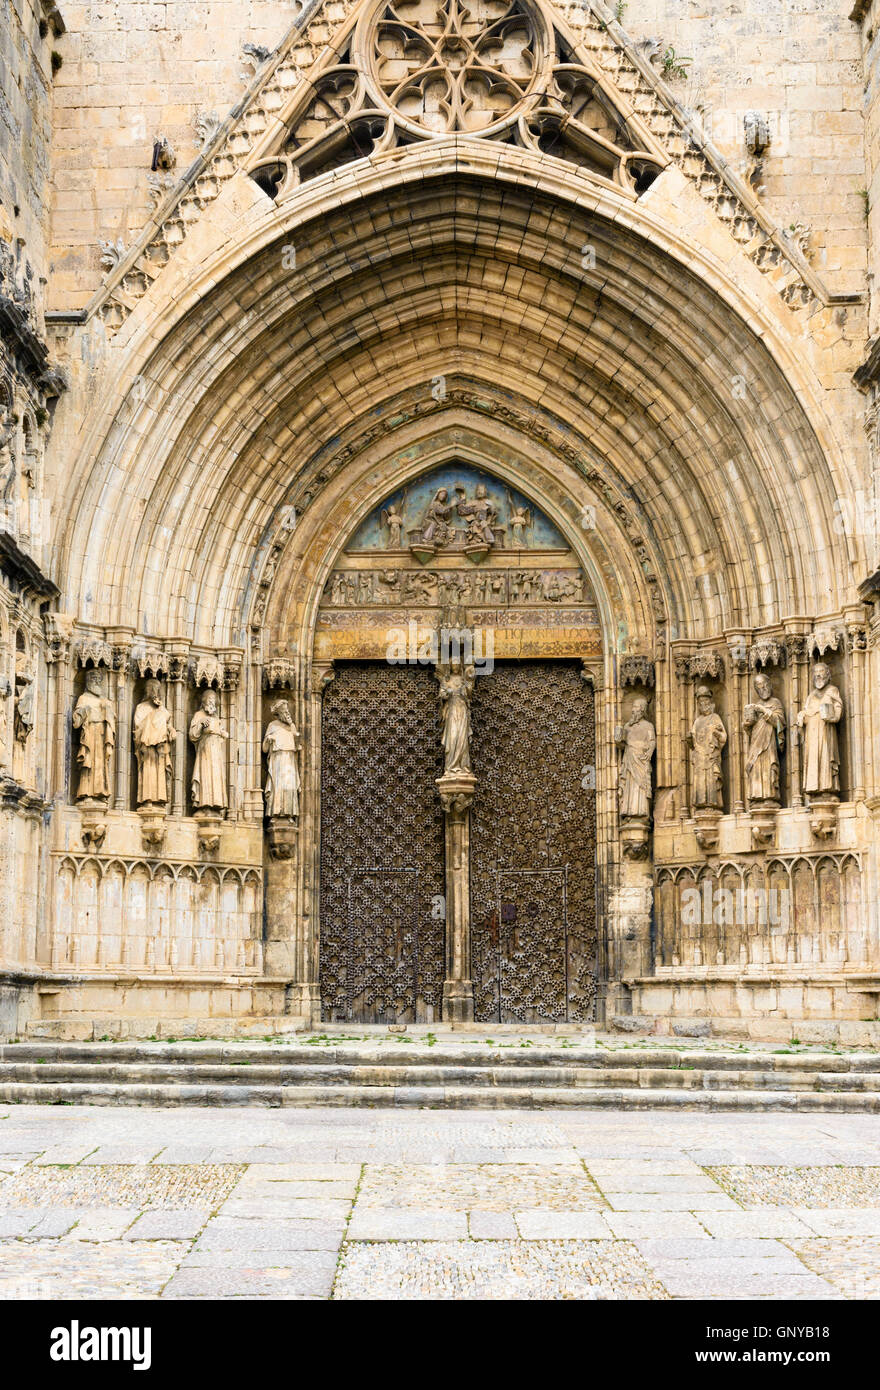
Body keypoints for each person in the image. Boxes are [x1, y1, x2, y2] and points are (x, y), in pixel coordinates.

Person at [797, 662, 843, 797]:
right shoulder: (811, 696)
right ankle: (814, 789)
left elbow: (838, 708)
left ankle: (827, 787)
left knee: (825, 757)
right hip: (811, 734)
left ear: (827, 675)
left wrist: (832, 717)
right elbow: (807, 713)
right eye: (815, 673)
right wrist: (802, 717)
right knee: (813, 760)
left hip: (825, 731)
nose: (818, 675)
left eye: (821, 672)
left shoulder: (832, 690)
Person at [72, 668, 116, 801]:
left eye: (98, 679)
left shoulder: (105, 701)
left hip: (102, 735)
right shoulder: (83, 698)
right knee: (88, 763)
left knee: (101, 765)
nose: (96, 682)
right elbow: (76, 720)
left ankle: (100, 791)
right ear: (87, 682)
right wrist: (86, 711)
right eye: (93, 679)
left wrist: (107, 711)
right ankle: (86, 793)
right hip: (90, 733)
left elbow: (112, 718)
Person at [133, 677, 175, 807]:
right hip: (148, 748)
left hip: (160, 748)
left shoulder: (162, 709)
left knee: (160, 773)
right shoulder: (141, 707)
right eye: (153, 689)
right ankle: (147, 800)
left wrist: (171, 730)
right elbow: (137, 727)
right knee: (149, 771)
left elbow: (168, 723)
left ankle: (159, 799)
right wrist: (153, 718)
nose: (156, 692)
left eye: (158, 690)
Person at [189, 688, 229, 811]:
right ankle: (204, 802)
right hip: (205, 750)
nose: (212, 703)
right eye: (209, 700)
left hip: (216, 751)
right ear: (204, 701)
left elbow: (223, 734)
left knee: (216, 775)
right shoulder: (199, 715)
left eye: (214, 700)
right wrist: (201, 724)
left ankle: (216, 802)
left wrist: (222, 733)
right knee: (205, 774)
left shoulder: (217, 718)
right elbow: (192, 735)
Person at [262, 698, 301, 818]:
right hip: (278, 762)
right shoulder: (272, 726)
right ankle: (276, 814)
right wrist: (269, 740)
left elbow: (298, 743)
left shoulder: (291, 727)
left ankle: (289, 814)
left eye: (287, 711)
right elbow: (264, 749)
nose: (287, 713)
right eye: (284, 711)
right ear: (278, 713)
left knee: (289, 787)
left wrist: (291, 725)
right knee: (278, 787)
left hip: (289, 762)